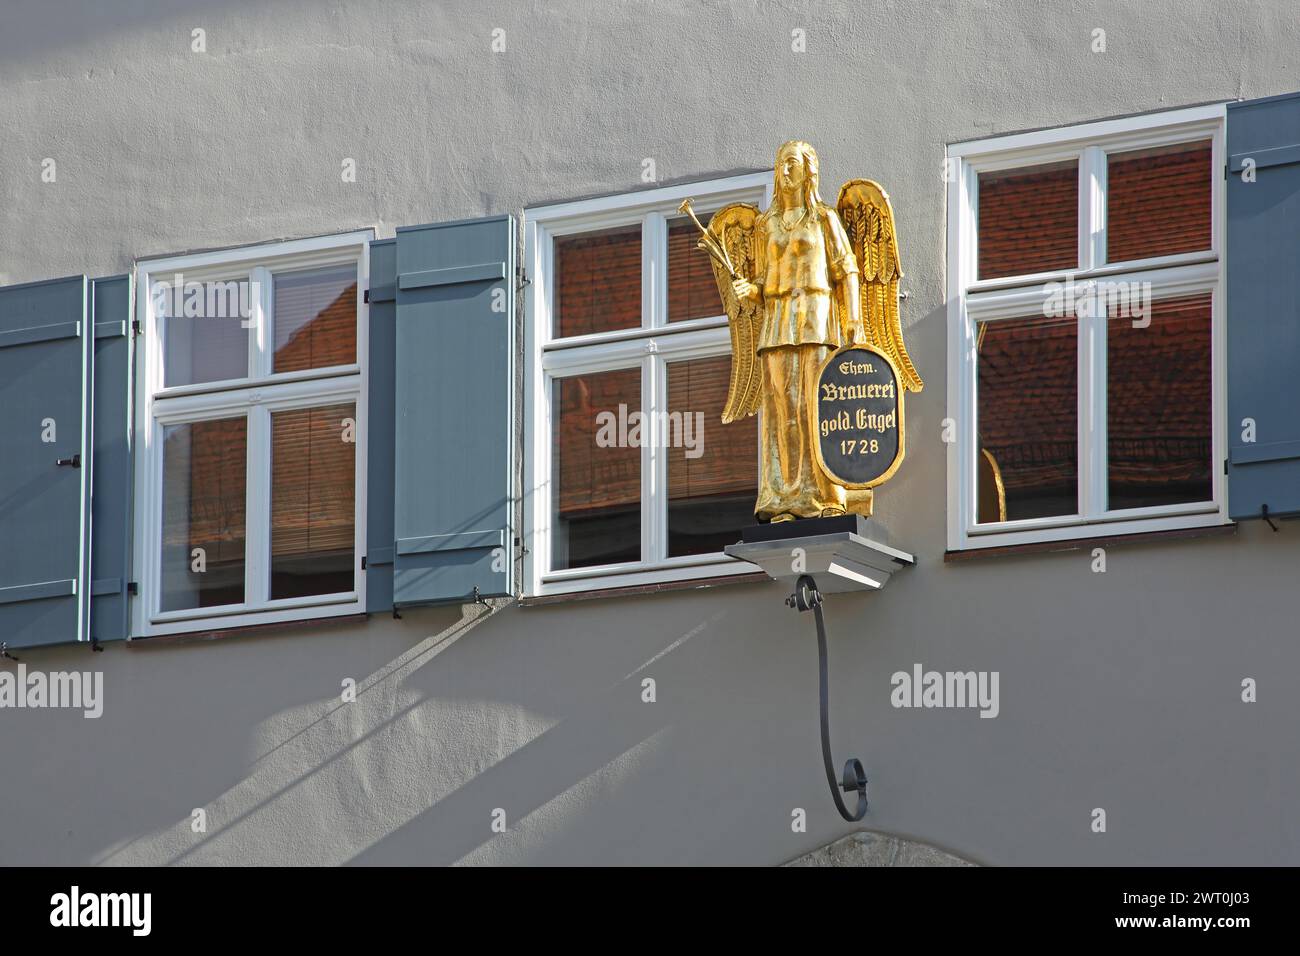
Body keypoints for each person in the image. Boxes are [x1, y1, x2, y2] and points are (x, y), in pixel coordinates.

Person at [731, 140, 866, 521]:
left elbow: (847, 269)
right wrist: (751, 291)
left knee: (817, 409)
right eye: (780, 164)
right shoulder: (765, 225)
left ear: (808, 170)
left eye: (792, 163)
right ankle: (786, 501)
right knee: (781, 412)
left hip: (817, 320)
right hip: (777, 324)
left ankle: (829, 497)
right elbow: (762, 280)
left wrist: (854, 320)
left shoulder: (823, 218)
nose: (784, 170)